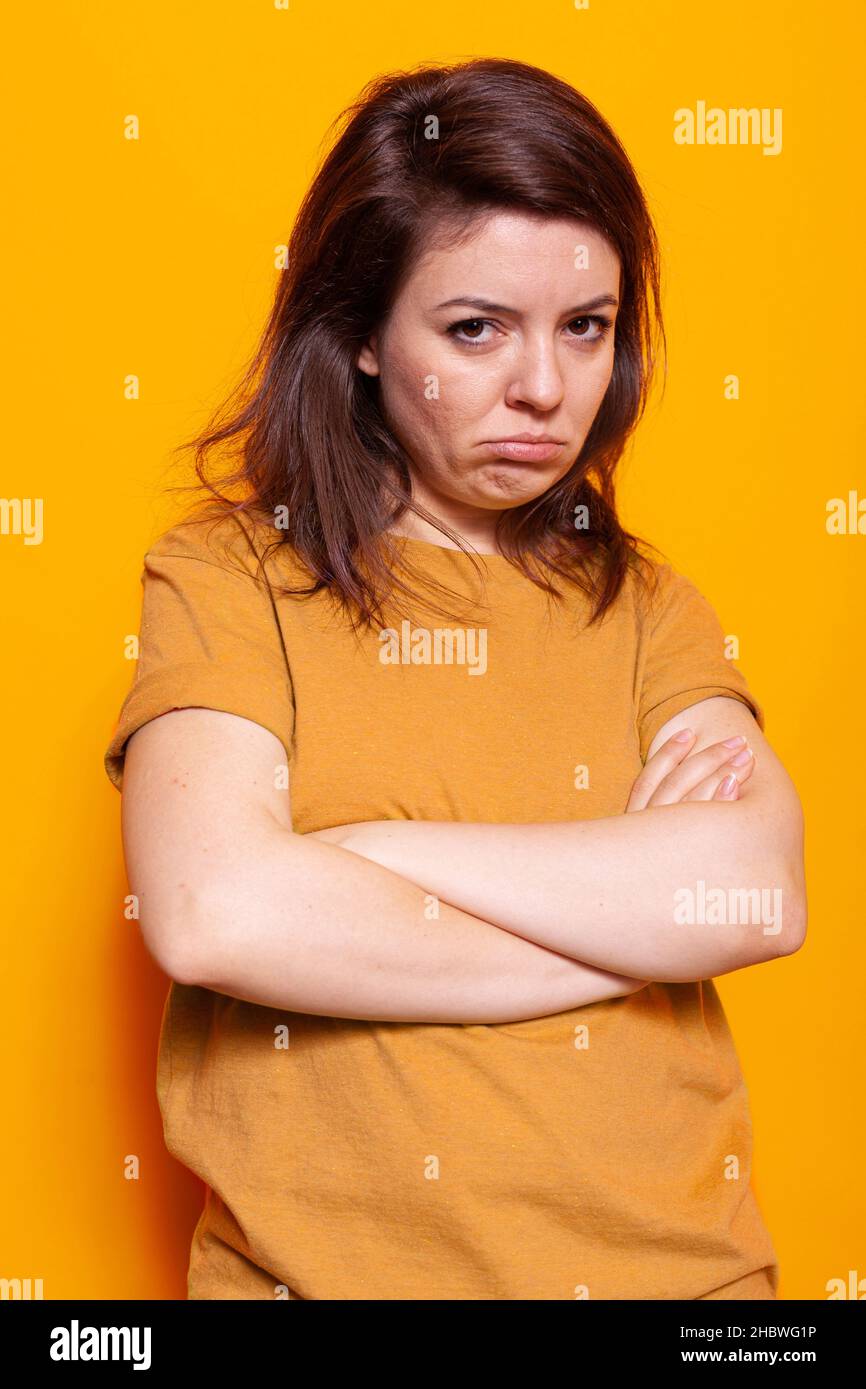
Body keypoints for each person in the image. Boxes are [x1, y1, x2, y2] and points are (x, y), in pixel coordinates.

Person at [103, 58, 806, 1300]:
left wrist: (372, 854)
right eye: (474, 328)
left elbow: (751, 897)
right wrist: (618, 922)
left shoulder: (645, 606)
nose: (543, 387)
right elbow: (217, 913)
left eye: (584, 327)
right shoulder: (227, 581)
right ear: (365, 335)